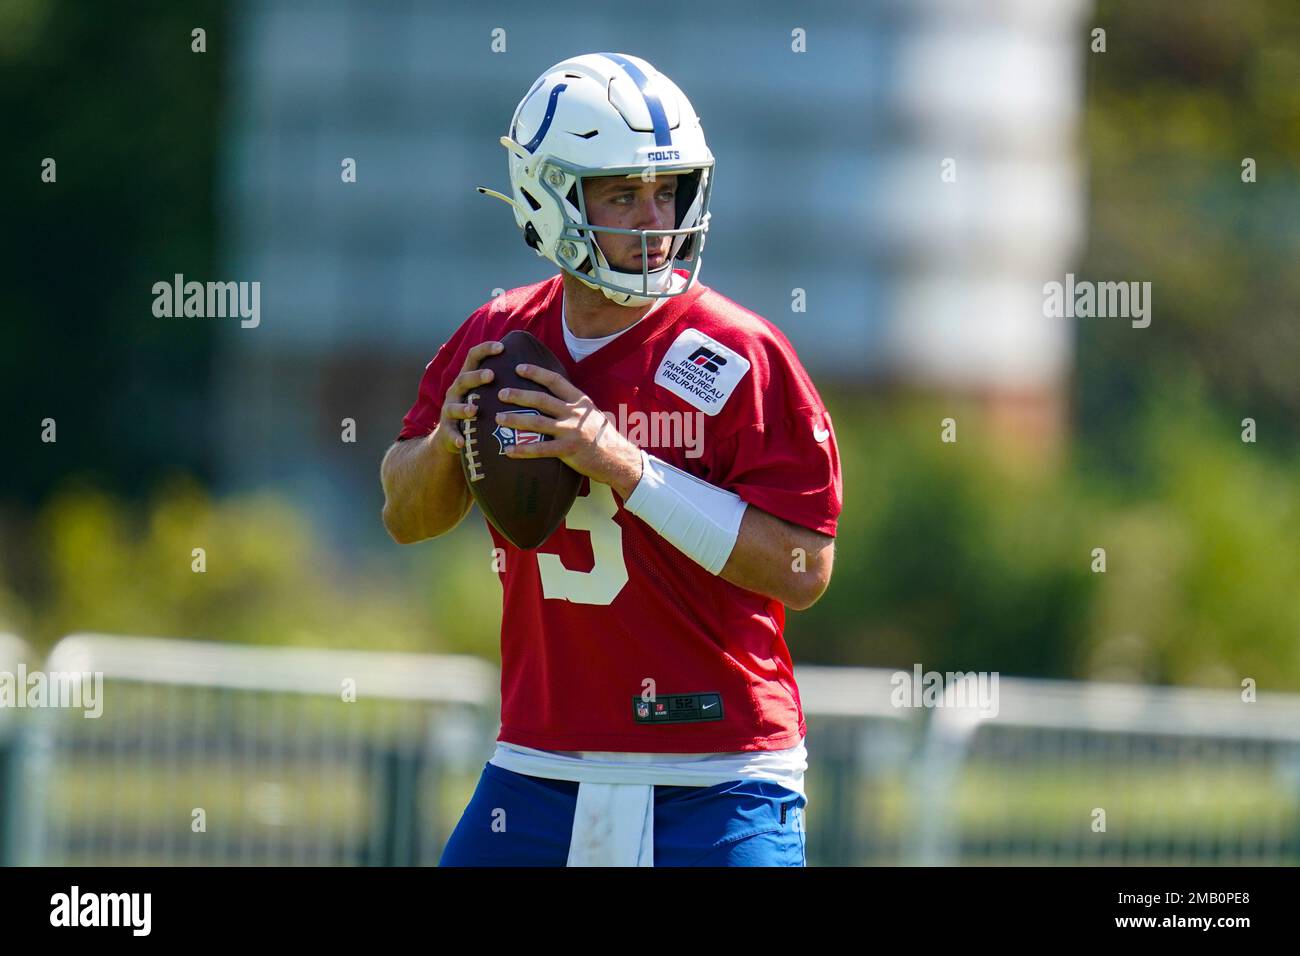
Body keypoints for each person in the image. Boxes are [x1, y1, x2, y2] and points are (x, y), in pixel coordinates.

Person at [381, 52, 841, 866]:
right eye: (623, 194)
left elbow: (804, 569)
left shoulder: (737, 353)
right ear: (546, 194)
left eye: (667, 191)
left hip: (722, 775)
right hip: (537, 767)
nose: (654, 218)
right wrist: (447, 443)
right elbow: (404, 518)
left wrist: (626, 467)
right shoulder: (496, 339)